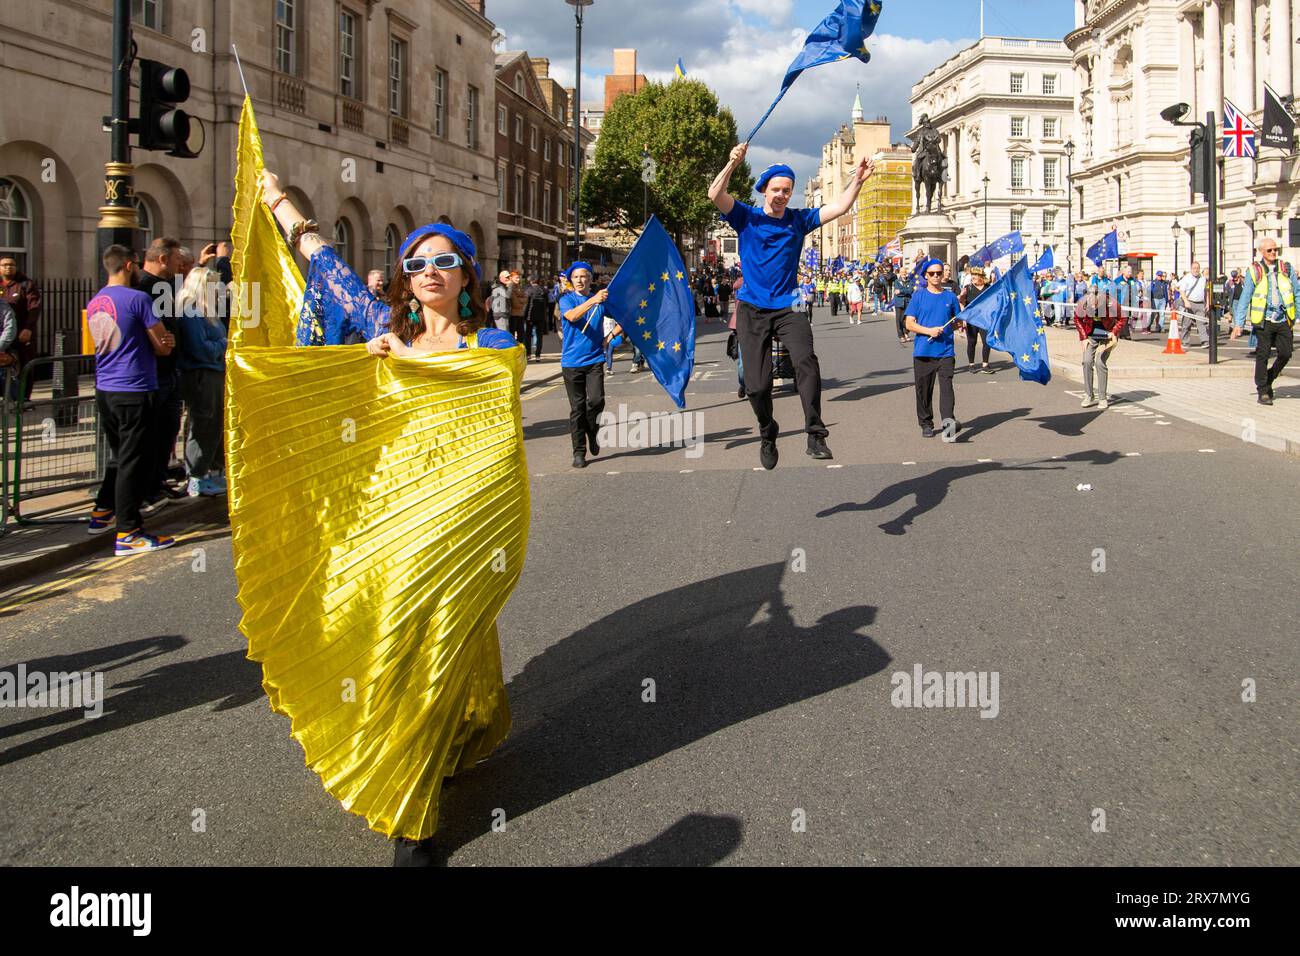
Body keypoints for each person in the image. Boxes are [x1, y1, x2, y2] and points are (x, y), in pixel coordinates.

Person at [709, 142, 874, 467]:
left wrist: (858, 180)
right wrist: (732, 163)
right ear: (764, 191)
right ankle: (767, 430)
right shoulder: (747, 218)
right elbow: (715, 195)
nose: (782, 194)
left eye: (787, 190)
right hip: (753, 309)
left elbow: (839, 207)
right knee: (757, 386)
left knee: (806, 362)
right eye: (776, 189)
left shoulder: (799, 220)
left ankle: (815, 433)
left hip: (789, 306)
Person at [85, 245, 177, 554]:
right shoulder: (139, 299)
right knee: (133, 461)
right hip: (135, 388)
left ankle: (101, 511)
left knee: (119, 455)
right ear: (128, 265)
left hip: (105, 388)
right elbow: (163, 345)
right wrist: (167, 343)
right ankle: (128, 531)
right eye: (135, 265)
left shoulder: (96, 300)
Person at [134, 236, 188, 511]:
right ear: (163, 258)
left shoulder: (166, 286)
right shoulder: (143, 286)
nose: (180, 265)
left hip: (171, 370)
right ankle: (146, 488)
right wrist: (162, 342)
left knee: (168, 431)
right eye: (177, 260)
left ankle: (158, 481)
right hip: (154, 373)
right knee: (152, 434)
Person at [558, 261, 622, 468]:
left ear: (590, 279)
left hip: (594, 359)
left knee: (596, 401)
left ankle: (592, 430)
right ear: (571, 280)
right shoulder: (566, 299)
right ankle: (579, 452)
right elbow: (572, 316)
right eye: (575, 277)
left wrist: (609, 336)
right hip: (571, 361)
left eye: (583, 276)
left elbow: (626, 318)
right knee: (576, 408)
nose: (579, 280)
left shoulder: (602, 303)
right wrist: (593, 300)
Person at [174, 265, 228, 496]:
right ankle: (196, 474)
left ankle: (208, 470)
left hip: (213, 372)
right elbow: (200, 348)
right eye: (213, 285)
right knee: (203, 424)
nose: (217, 290)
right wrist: (223, 344)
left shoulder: (206, 311)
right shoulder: (191, 310)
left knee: (213, 424)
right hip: (202, 374)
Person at [1233, 237, 1297, 405]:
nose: (1273, 252)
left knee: (1286, 353)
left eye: (1276, 249)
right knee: (1263, 354)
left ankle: (1269, 378)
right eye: (1270, 250)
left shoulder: (1286, 268)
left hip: (1283, 318)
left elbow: (1296, 292)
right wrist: (1238, 324)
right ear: (1261, 252)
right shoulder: (1255, 271)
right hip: (1264, 319)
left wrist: (1296, 315)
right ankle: (1263, 391)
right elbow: (1245, 297)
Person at [905, 259, 963, 438]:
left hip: (946, 350)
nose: (937, 276)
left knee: (947, 388)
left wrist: (958, 324)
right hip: (924, 351)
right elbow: (909, 324)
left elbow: (956, 321)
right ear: (926, 276)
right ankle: (926, 423)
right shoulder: (918, 296)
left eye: (939, 273)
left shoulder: (950, 297)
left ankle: (948, 424)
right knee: (924, 390)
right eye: (932, 274)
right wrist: (928, 330)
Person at [1073, 281, 1124, 409]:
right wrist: (1083, 337)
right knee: (1087, 361)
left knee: (1100, 362)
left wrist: (1114, 332)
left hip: (1107, 334)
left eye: (1094, 303)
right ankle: (1089, 395)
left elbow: (1123, 318)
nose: (1092, 305)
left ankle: (1102, 398)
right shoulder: (1082, 303)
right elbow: (1076, 319)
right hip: (1092, 334)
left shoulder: (1110, 302)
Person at [0, 256, 41, 400]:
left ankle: (23, 398)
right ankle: (9, 396)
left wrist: (28, 328)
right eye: (4, 265)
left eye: (11, 265)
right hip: (3, 333)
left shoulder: (25, 284)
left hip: (22, 332)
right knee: (4, 366)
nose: (8, 267)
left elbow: (34, 308)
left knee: (25, 366)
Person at [959, 265, 992, 373]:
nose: (973, 277)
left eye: (975, 275)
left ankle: (985, 365)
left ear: (981, 276)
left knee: (987, 342)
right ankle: (971, 364)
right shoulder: (968, 288)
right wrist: (963, 318)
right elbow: (962, 303)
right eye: (972, 275)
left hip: (985, 319)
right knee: (972, 341)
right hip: (971, 319)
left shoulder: (988, 288)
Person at [1176, 261, 1210, 347]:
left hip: (1200, 303)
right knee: (1186, 324)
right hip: (1189, 302)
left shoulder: (1203, 278)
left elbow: (1206, 291)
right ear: (1191, 269)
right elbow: (1182, 290)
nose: (1196, 270)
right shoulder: (1187, 278)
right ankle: (1185, 342)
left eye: (1198, 268)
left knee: (1201, 323)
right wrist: (1186, 302)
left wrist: (1208, 303)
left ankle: (1205, 341)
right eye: (1194, 268)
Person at [523, 274, 549, 361]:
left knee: (528, 335)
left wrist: (524, 315)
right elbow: (547, 304)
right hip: (541, 316)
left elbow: (526, 304)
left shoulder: (528, 290)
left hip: (530, 315)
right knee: (539, 335)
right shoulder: (544, 290)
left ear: (530, 281)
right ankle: (538, 355)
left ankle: (528, 354)